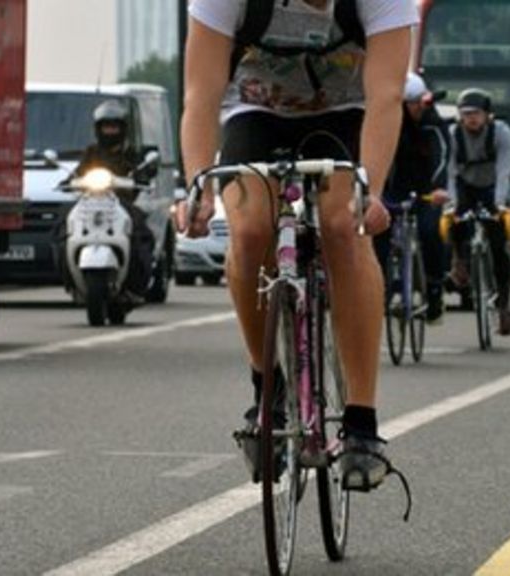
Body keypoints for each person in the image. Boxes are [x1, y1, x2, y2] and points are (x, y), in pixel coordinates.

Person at [178, 0, 418, 491]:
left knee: (343, 227)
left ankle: (361, 423)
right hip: (255, 113)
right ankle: (267, 388)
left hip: (346, 115)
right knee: (249, 231)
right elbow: (201, 96)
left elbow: (387, 96)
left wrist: (370, 193)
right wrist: (197, 188)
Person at [375, 72, 451, 324]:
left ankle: (435, 289)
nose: (419, 108)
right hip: (394, 188)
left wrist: (439, 187)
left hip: (427, 191)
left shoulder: (433, 123)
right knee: (379, 231)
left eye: (422, 101)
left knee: (430, 231)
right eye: (413, 103)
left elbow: (442, 155)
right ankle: (379, 288)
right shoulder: (388, 121)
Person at [446, 88, 510, 336]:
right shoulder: (453, 134)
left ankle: (503, 304)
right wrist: (452, 204)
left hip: (492, 187)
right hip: (465, 186)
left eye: (476, 114)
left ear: (487, 115)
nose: (471, 119)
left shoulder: (501, 133)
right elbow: (450, 172)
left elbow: (504, 170)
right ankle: (460, 262)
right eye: (466, 114)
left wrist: (499, 204)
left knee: (499, 245)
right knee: (455, 220)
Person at [70, 99, 156, 300]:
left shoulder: (130, 154)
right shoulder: (91, 152)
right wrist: (69, 180)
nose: (110, 131)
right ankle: (69, 279)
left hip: (121, 204)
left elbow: (142, 171)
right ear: (98, 129)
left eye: (114, 126)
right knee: (62, 226)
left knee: (143, 233)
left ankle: (137, 284)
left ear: (123, 129)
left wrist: (143, 177)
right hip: (89, 203)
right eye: (106, 127)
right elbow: (78, 172)